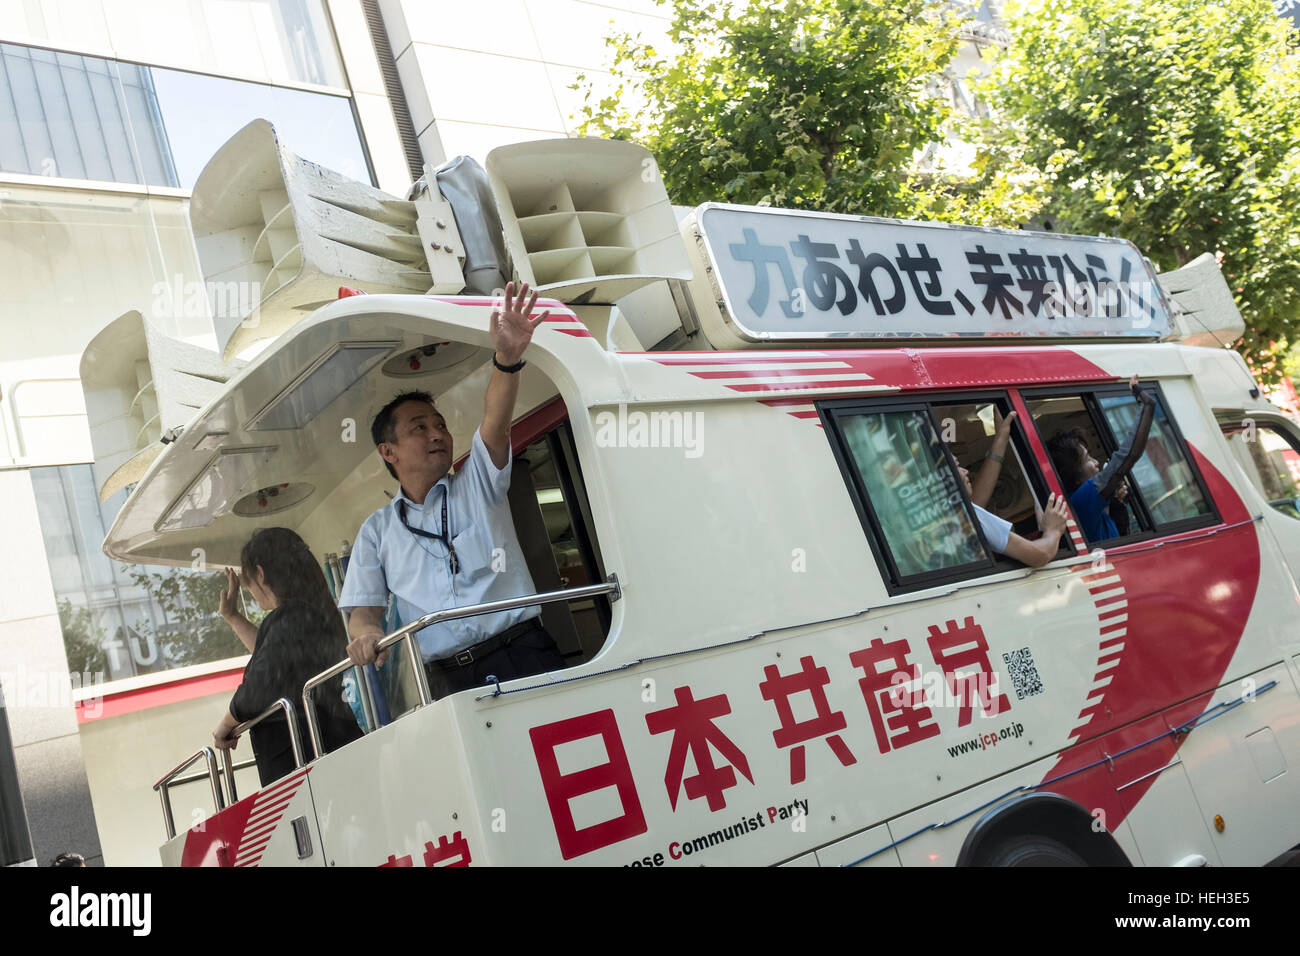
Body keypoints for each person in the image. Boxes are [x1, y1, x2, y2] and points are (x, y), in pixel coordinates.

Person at [339, 281, 567, 699]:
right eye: (419, 428)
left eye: (440, 424)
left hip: (523, 651)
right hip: (448, 680)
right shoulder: (377, 532)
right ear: (388, 451)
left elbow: (495, 421)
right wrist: (367, 633)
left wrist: (508, 359)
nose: (437, 434)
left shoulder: (477, 482)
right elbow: (364, 610)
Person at [213, 527, 362, 787]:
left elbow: (261, 686)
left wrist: (225, 726)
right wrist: (234, 617)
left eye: (248, 583)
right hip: (333, 747)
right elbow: (274, 658)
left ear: (260, 573)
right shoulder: (308, 614)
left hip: (307, 761)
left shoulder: (291, 619)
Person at [1047, 375, 1156, 542]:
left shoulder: (1093, 507)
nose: (1096, 462)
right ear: (1073, 475)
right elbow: (1127, 455)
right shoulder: (1080, 502)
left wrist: (1116, 503)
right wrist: (1146, 405)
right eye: (1087, 459)